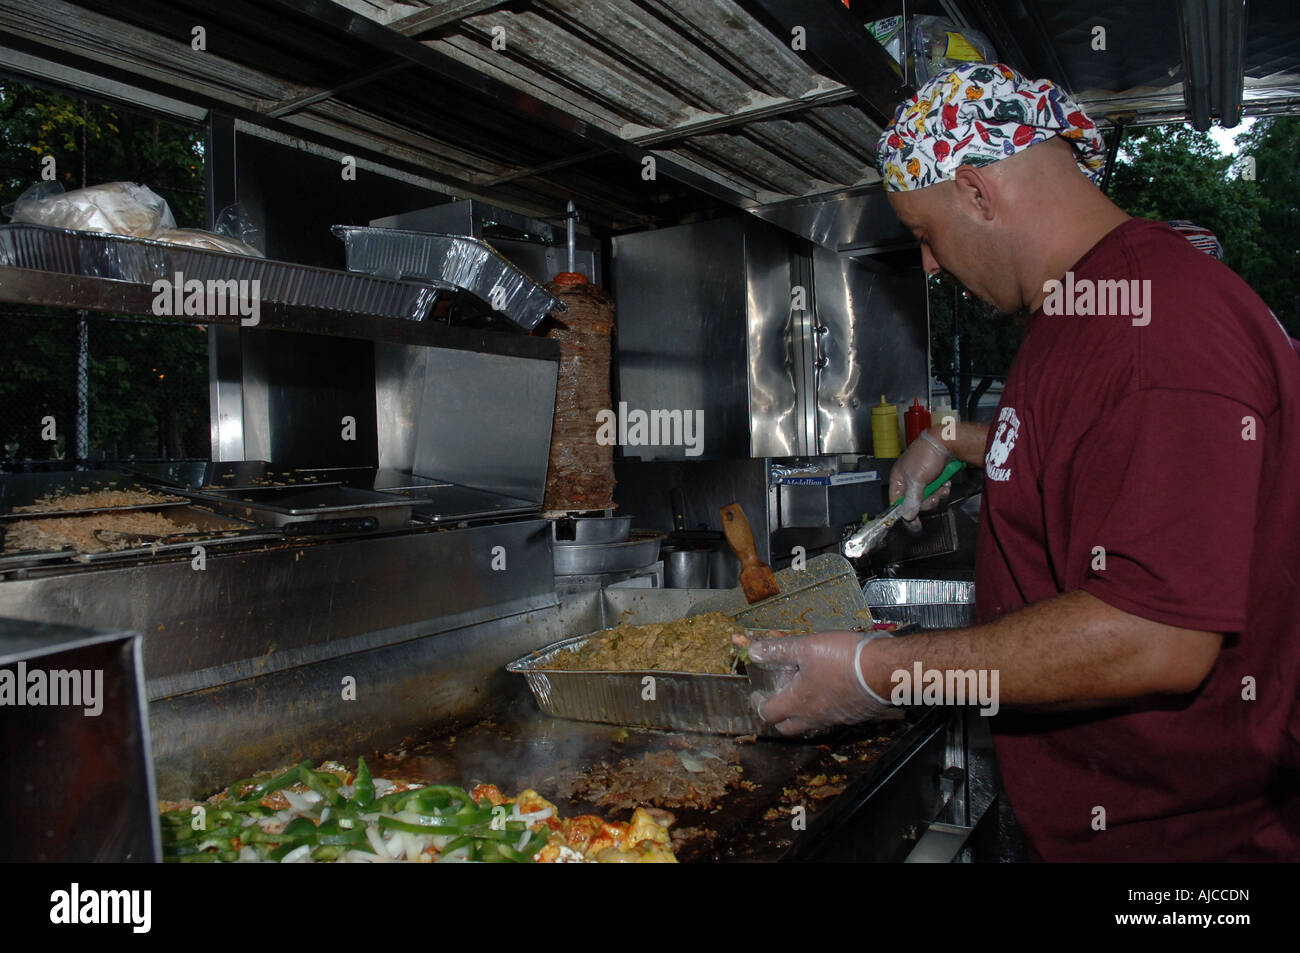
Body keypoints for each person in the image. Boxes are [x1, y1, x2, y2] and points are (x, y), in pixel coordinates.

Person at [748, 62, 1300, 861]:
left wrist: (876, 672)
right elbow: (1092, 443)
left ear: (976, 192)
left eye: (925, 236)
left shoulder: (1155, 326)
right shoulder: (1089, 308)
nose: (931, 268)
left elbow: (1156, 635)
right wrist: (954, 436)